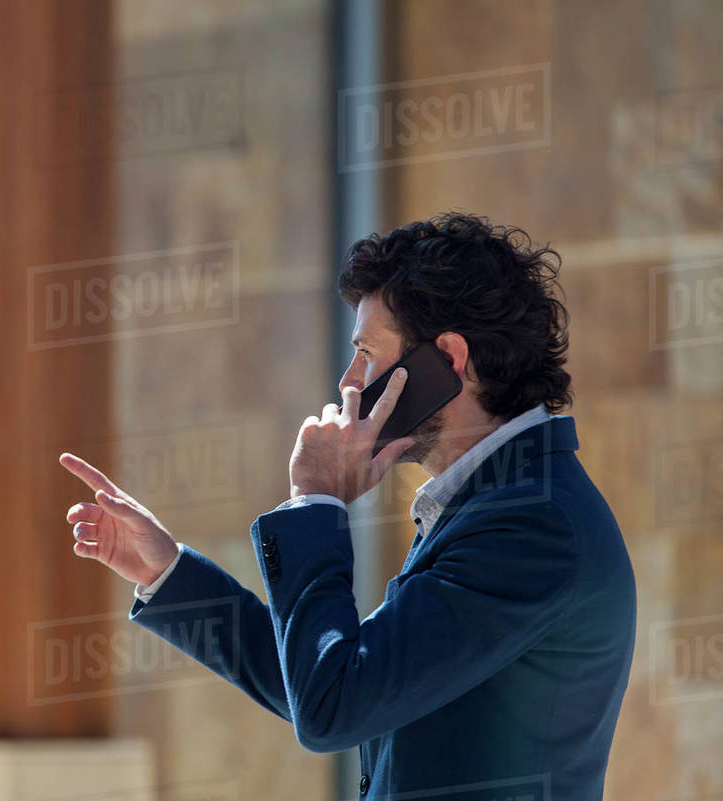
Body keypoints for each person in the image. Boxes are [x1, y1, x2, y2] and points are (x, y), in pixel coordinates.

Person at [59, 212, 636, 800]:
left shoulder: (530, 522)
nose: (347, 379)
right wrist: (170, 574)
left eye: (366, 351)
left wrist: (315, 501)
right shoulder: (502, 500)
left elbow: (334, 705)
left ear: (449, 360)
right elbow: (335, 682)